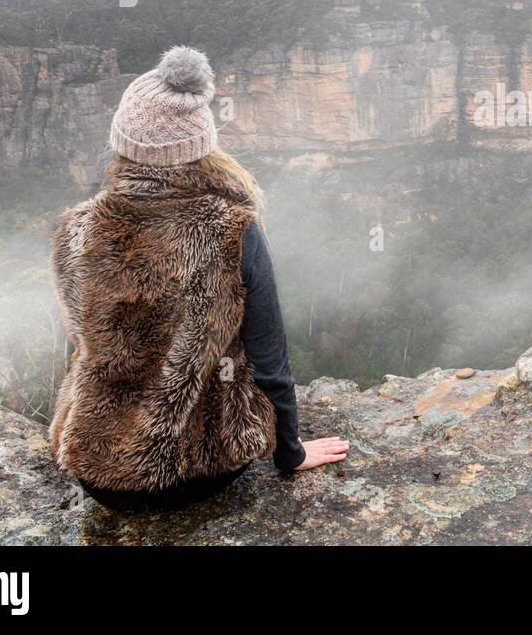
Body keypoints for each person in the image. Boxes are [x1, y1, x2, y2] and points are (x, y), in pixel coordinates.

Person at [48, 45, 348, 512]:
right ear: (201, 145)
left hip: (95, 471)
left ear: (122, 142)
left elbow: (84, 341)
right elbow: (270, 362)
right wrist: (291, 453)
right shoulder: (233, 229)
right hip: (195, 471)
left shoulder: (75, 227)